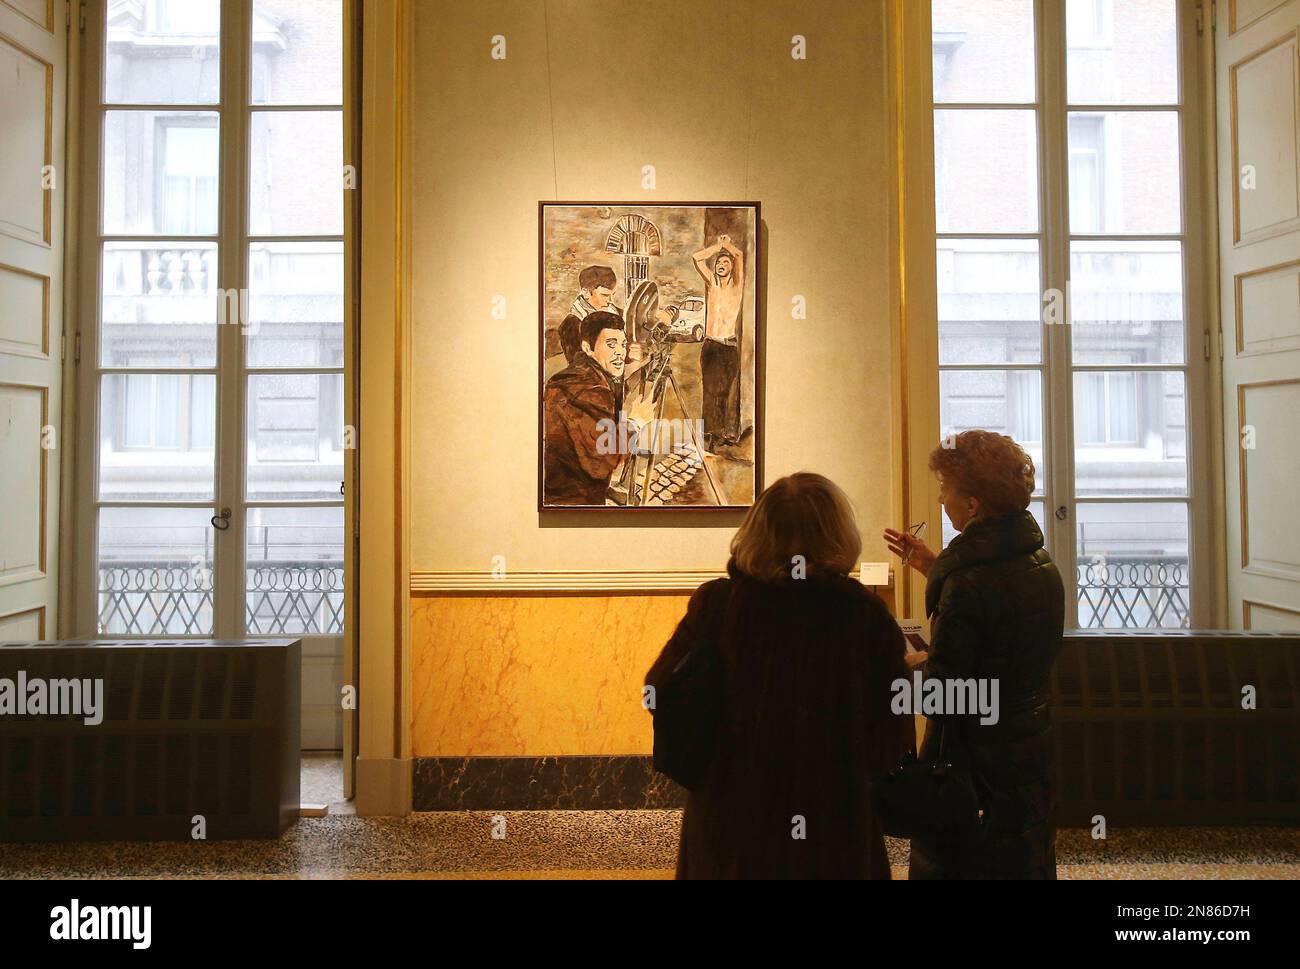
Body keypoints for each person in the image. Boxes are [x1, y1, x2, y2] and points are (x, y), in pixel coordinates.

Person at [645, 473, 914, 878]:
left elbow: (661, 689)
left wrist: (704, 768)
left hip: (731, 818)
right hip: (833, 821)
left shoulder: (719, 605)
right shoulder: (862, 615)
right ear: (837, 534)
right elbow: (892, 728)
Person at [884, 430, 1065, 880]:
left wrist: (905, 673)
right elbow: (1004, 649)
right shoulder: (1038, 561)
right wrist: (934, 567)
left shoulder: (969, 582)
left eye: (946, 490)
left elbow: (949, 695)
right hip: (1025, 751)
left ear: (972, 505)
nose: (942, 499)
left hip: (973, 770)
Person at [543, 312, 650, 505]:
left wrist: (633, 373)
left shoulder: (583, 374)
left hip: (572, 484)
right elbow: (605, 458)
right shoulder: (586, 390)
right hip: (575, 501)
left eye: (622, 344)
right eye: (611, 344)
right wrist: (636, 422)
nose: (620, 352)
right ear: (587, 347)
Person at [691, 236, 744, 451]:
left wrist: (728, 247)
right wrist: (718, 247)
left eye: (726, 263)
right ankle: (710, 434)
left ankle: (723, 432)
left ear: (732, 268)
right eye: (719, 263)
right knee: (709, 391)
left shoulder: (737, 286)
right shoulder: (712, 283)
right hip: (711, 345)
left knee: (724, 392)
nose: (722, 265)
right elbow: (696, 258)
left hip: (728, 346)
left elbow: (739, 255)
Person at [559, 265, 621, 366]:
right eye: (604, 295)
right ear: (586, 293)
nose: (611, 301)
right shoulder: (571, 325)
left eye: (613, 295)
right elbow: (578, 365)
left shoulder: (619, 313)